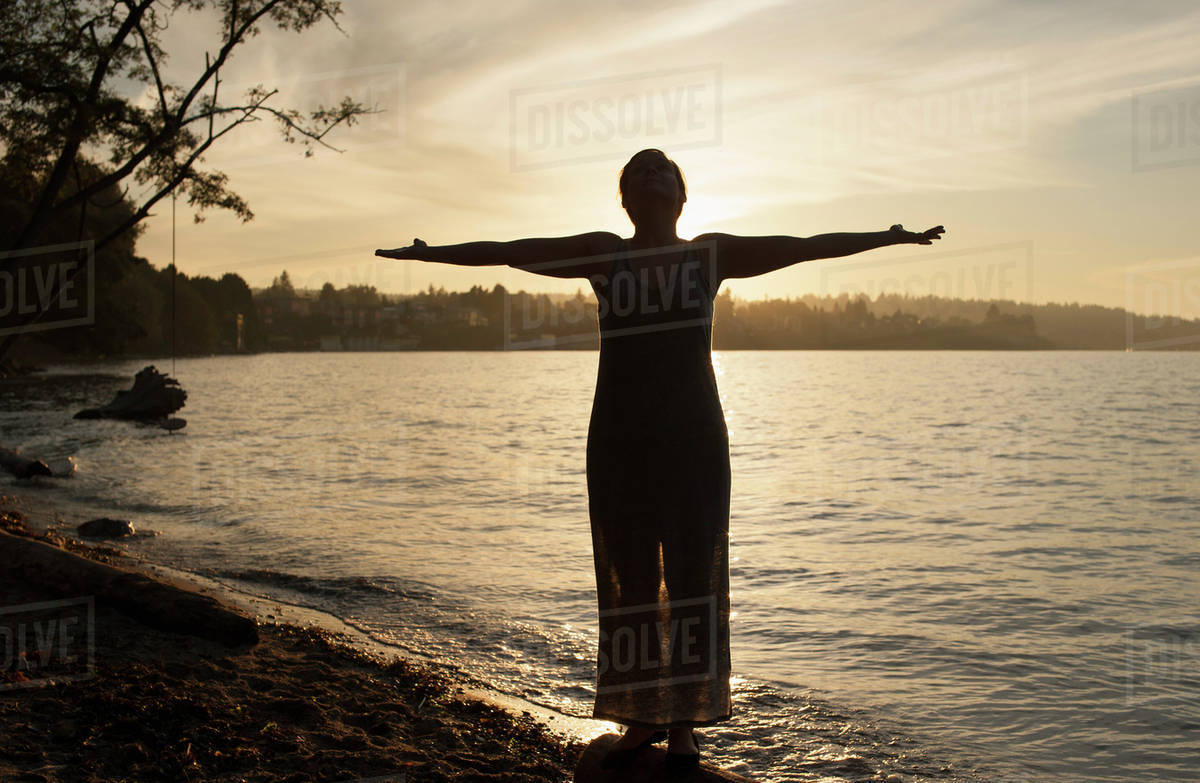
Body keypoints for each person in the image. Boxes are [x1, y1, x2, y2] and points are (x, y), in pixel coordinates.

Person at [376, 148, 944, 773]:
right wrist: (432, 254)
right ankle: (640, 717)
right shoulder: (603, 251)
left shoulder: (709, 254)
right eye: (638, 171)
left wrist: (888, 238)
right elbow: (514, 248)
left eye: (662, 169)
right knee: (631, 575)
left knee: (697, 573)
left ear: (681, 194)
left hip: (695, 438)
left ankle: (684, 725)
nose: (650, 175)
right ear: (625, 198)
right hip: (619, 439)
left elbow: (803, 244)